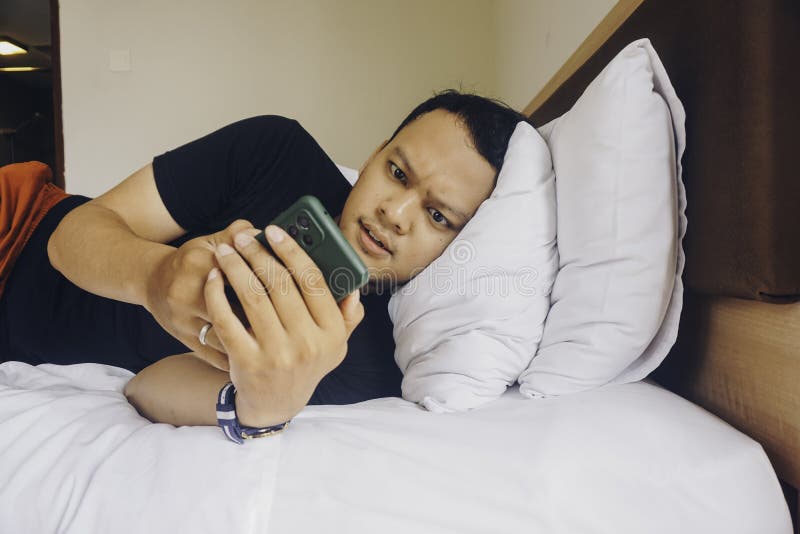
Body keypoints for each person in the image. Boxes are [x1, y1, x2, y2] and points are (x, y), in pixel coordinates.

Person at [0, 89, 532, 439]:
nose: (394, 212)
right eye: (396, 172)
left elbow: (148, 388)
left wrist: (261, 406)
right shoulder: (275, 149)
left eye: (437, 215)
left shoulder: (374, 361)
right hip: (19, 225)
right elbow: (76, 233)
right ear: (374, 154)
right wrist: (154, 275)